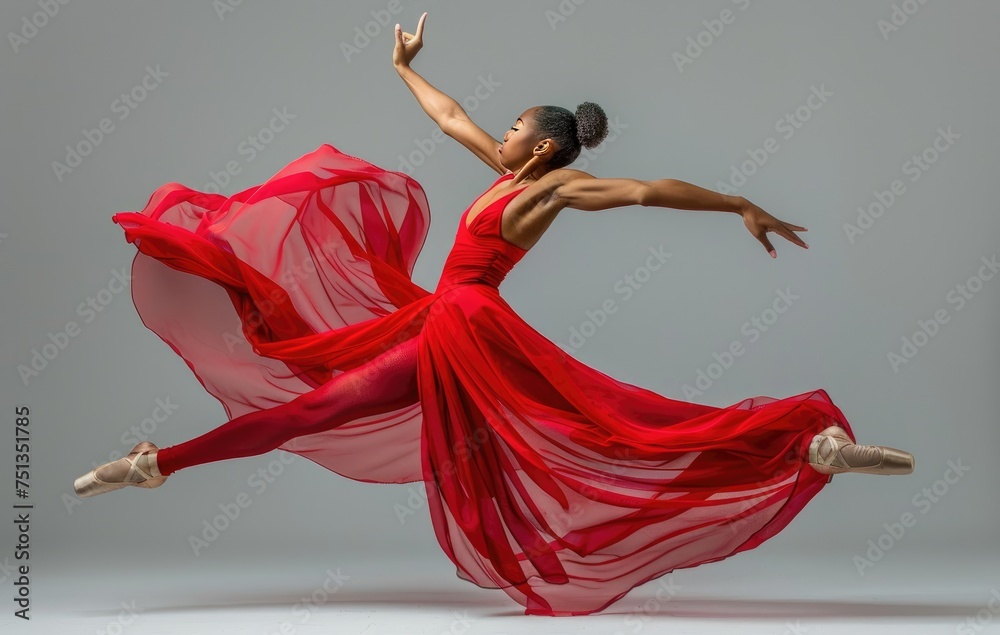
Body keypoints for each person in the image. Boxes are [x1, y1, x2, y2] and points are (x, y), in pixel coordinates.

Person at [73, 12, 914, 617]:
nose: (499, 132)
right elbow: (450, 118)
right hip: (444, 324)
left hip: (467, 329)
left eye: (513, 127)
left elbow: (645, 189)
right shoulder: (506, 177)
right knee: (583, 426)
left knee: (609, 430)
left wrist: (735, 201)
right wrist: (405, 68)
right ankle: (807, 446)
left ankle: (799, 442)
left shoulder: (547, 189)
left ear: (542, 147)